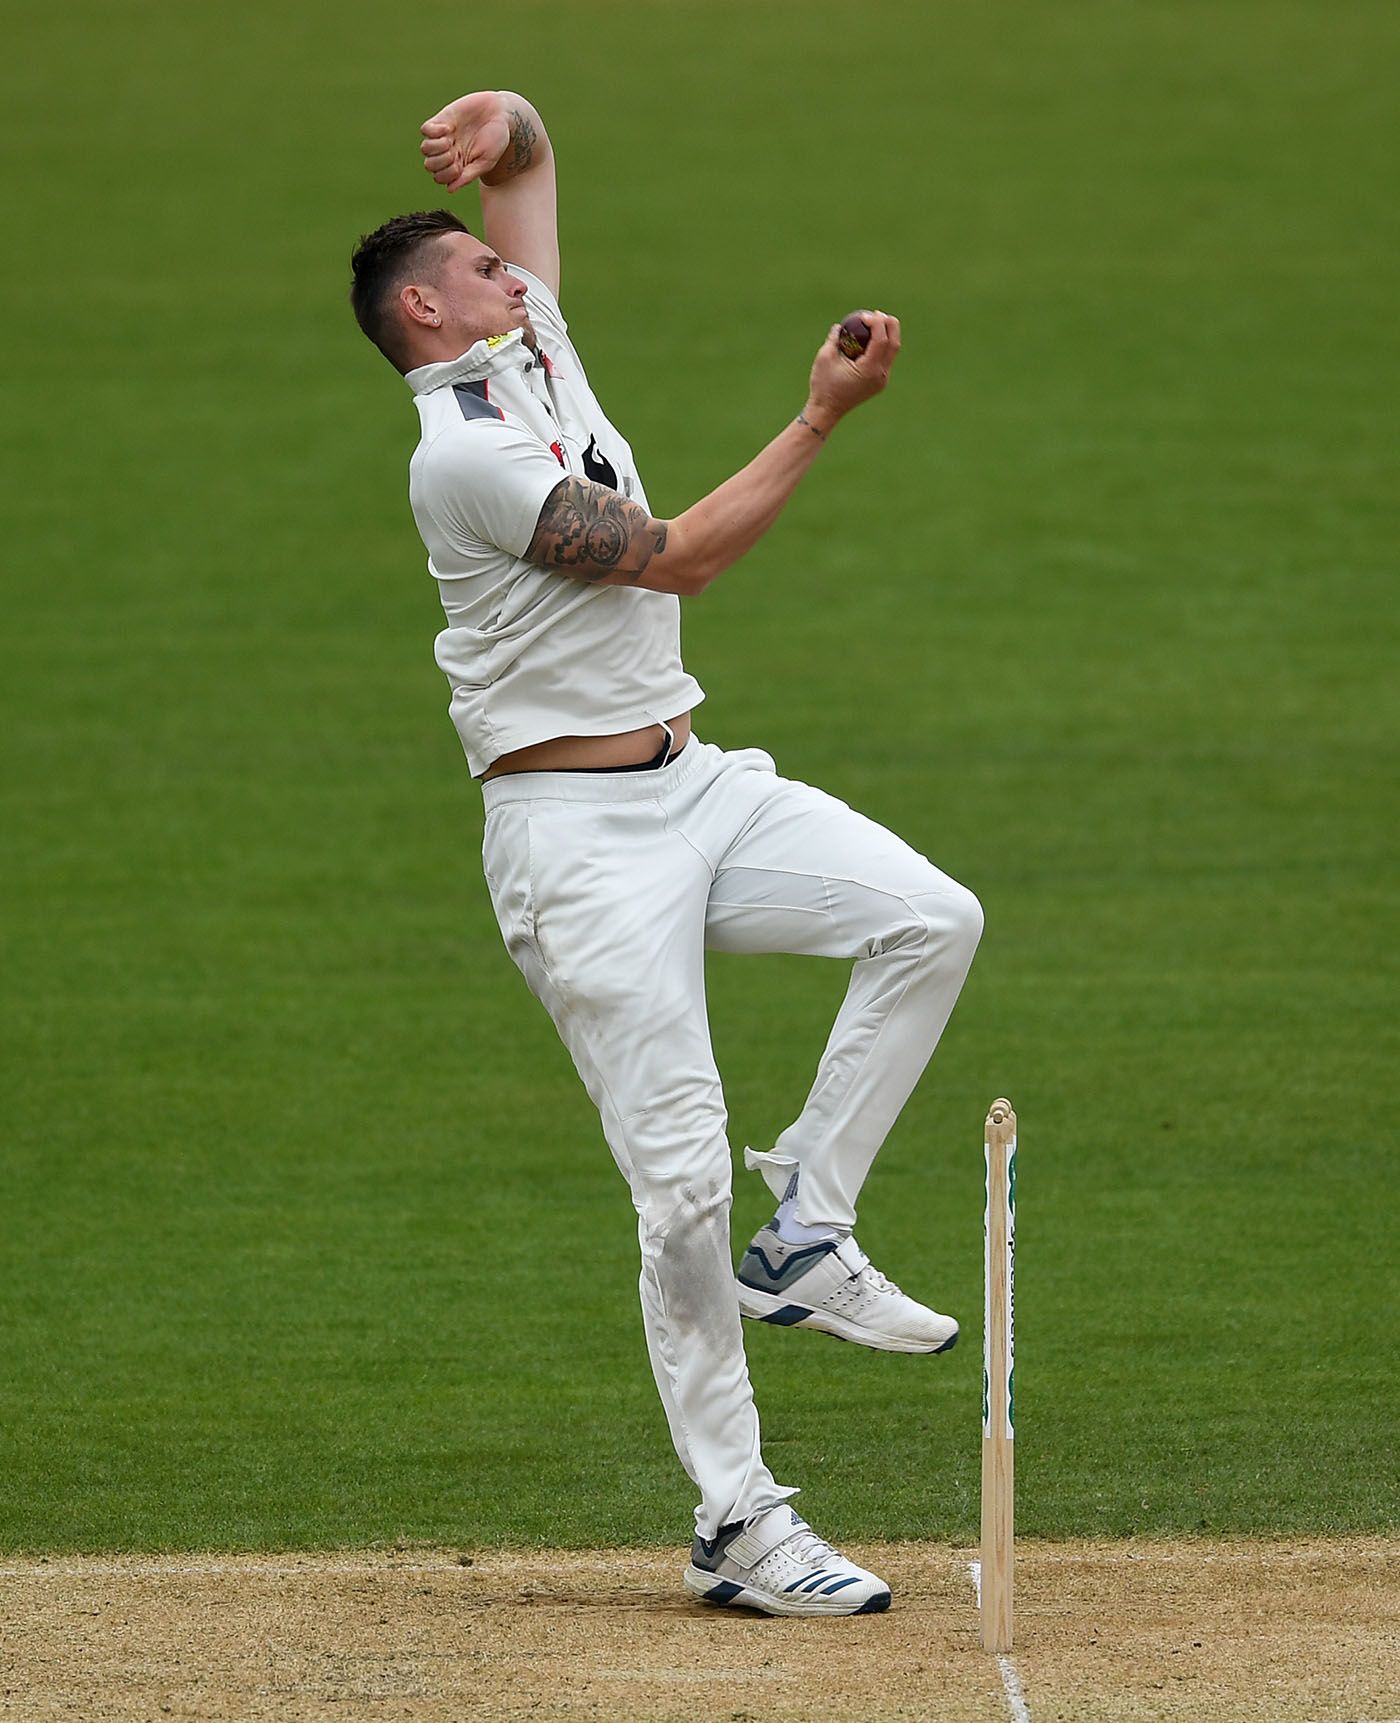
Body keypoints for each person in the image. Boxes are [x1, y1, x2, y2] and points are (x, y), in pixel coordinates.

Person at [349, 88, 983, 1617]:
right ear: (427, 312)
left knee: (930, 918)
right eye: (486, 273)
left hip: (695, 783)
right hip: (576, 846)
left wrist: (517, 122)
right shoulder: (464, 457)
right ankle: (739, 1524)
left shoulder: (534, 345)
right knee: (678, 1184)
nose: (521, 281)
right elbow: (685, 554)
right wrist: (820, 418)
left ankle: (812, 1229)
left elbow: (532, 175)